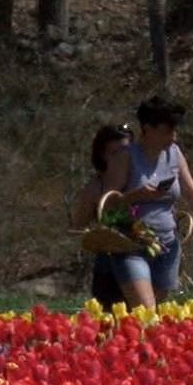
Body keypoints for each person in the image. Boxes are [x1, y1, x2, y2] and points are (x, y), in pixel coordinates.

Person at [98, 96, 193, 309]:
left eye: (174, 130)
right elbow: (107, 205)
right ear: (147, 128)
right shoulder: (125, 157)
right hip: (131, 244)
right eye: (167, 131)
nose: (173, 136)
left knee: (151, 313)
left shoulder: (174, 153)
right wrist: (136, 195)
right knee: (146, 311)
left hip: (168, 245)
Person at [72, 123, 133, 310]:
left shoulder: (140, 179)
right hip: (110, 263)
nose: (119, 158)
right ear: (102, 155)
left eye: (124, 151)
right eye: (113, 153)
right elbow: (78, 224)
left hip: (146, 257)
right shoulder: (95, 187)